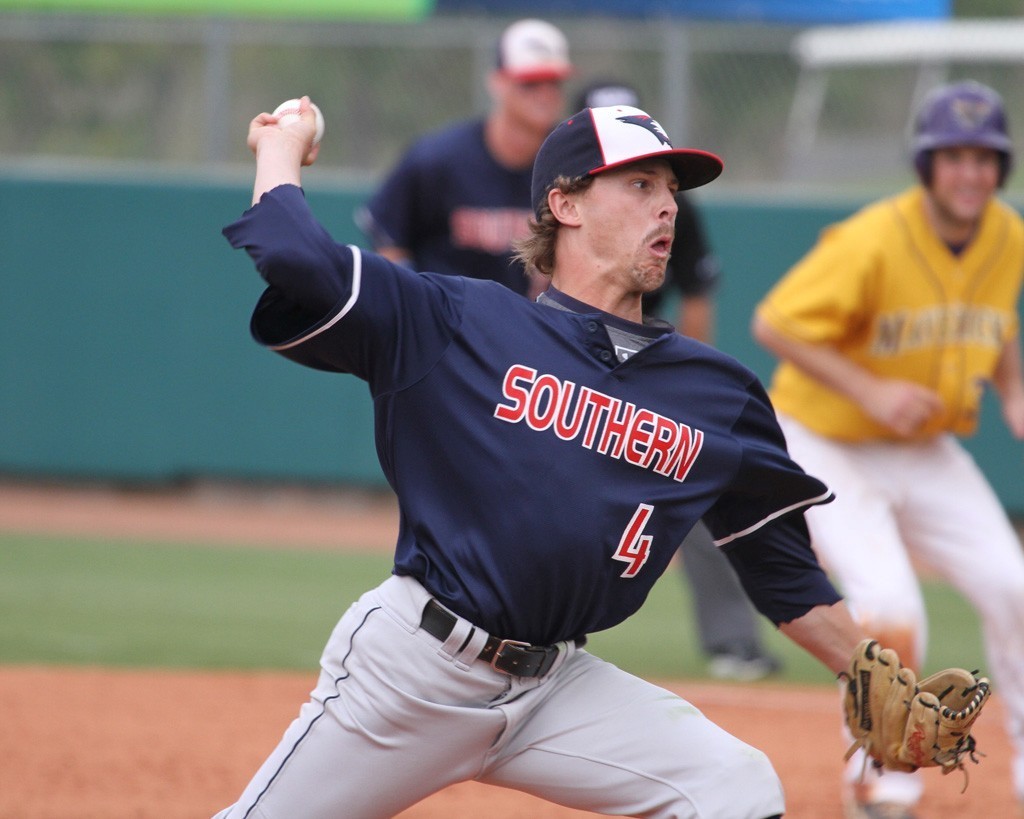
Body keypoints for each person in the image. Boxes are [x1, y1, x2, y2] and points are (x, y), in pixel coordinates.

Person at [218, 95, 869, 819]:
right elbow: (294, 255)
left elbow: (778, 563)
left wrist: (868, 671)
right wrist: (280, 146)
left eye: (671, 192)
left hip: (555, 688)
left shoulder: (716, 392)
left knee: (735, 786)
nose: (668, 210)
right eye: (640, 185)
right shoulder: (458, 321)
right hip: (415, 672)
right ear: (565, 204)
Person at [752, 79, 1024, 819]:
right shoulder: (874, 237)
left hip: (922, 443)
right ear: (927, 164)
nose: (970, 172)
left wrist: (1013, 391)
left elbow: (995, 321)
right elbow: (775, 321)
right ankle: (881, 784)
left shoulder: (1008, 235)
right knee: (889, 604)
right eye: (954, 156)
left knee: (1014, 584)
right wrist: (869, 390)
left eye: (985, 158)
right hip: (829, 436)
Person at [576, 79, 780, 681]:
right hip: (532, 362)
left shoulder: (673, 206)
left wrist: (687, 389)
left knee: (699, 479)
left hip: (631, 361)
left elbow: (695, 295)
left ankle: (732, 642)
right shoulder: (549, 195)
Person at [356, 18, 571, 299]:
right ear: (498, 83)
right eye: (530, 82)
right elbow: (387, 235)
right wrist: (417, 306)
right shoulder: (438, 158)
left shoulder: (570, 165)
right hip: (448, 329)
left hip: (526, 330)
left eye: (553, 81)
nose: (545, 94)